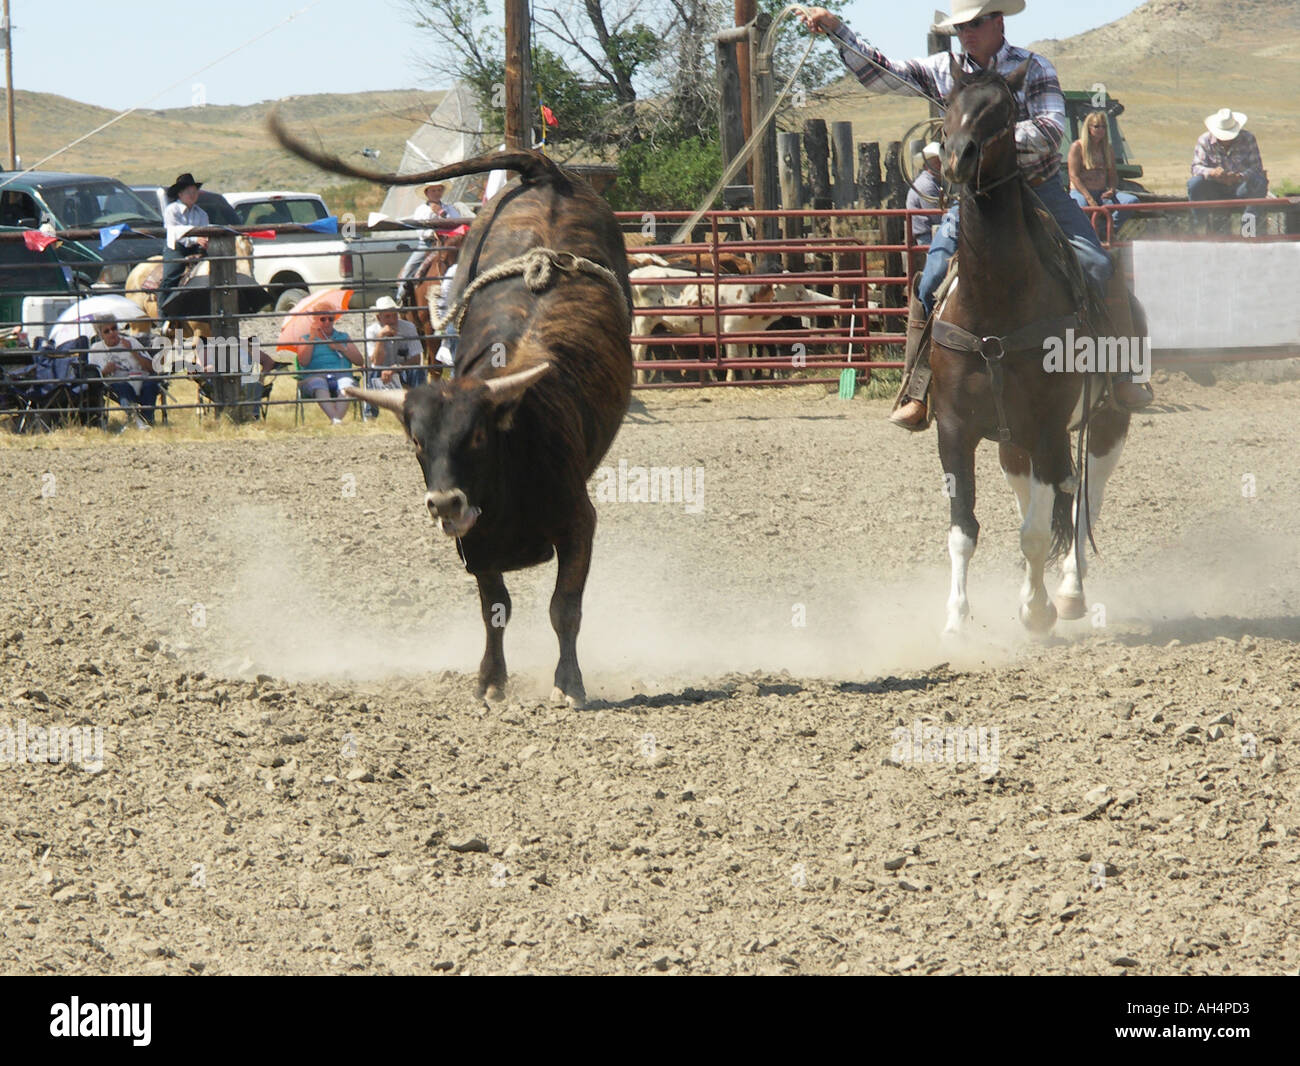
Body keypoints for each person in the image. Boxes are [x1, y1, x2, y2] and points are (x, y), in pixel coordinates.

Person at [797, 1, 1150, 425]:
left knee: (1097, 265)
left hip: (1038, 191)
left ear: (998, 21)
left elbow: (1051, 129)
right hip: (977, 200)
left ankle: (1123, 373)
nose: (966, 33)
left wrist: (981, 138)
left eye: (975, 23)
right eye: (960, 26)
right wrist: (838, 30)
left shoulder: (1034, 67)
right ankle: (918, 389)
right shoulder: (945, 69)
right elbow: (882, 74)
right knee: (929, 282)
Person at [1188, 108, 1268, 232]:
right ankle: (1200, 225)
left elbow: (1256, 168)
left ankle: (1248, 230)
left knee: (1259, 182)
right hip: (1214, 188)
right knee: (1195, 183)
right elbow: (1196, 167)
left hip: (1240, 188)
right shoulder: (1204, 140)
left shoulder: (1248, 139)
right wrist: (1212, 173)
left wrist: (1239, 176)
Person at [1068, 111, 1139, 237]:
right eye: (1096, 126)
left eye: (1103, 126)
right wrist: (1089, 198)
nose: (1101, 130)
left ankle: (1105, 231)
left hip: (1102, 192)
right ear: (1088, 128)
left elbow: (1112, 174)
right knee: (1080, 208)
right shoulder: (1077, 147)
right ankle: (1083, 237)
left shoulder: (1108, 148)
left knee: (1131, 201)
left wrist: (1111, 189)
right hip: (1081, 192)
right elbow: (1074, 176)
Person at [87, 313, 162, 428]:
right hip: (117, 383)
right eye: (106, 331)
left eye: (114, 328)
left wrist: (133, 351)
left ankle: (147, 420)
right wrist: (105, 371)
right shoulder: (96, 349)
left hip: (141, 378)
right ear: (100, 334)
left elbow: (152, 368)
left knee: (150, 385)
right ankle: (136, 419)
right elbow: (93, 377)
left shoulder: (131, 341)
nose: (112, 333)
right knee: (123, 387)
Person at [395, 183, 461, 303]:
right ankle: (400, 296)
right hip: (428, 244)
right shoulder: (421, 210)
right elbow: (421, 232)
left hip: (449, 243)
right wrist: (435, 231)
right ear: (427, 193)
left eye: (439, 190)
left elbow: (457, 222)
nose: (436, 193)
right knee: (411, 266)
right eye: (433, 191)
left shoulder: (449, 208)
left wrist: (441, 213)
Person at [295, 312, 365, 425]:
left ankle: (336, 421)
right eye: (323, 319)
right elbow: (303, 362)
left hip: (341, 375)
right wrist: (312, 339)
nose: (327, 322)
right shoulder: (305, 339)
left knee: (347, 383)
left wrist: (341, 348)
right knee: (319, 382)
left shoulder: (343, 337)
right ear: (315, 320)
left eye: (330, 319)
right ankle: (336, 420)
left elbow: (359, 361)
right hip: (314, 377)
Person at [363, 296, 425, 415]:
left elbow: (417, 358)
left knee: (418, 370)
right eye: (387, 316)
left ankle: (420, 408)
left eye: (395, 315)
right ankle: (371, 412)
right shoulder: (372, 331)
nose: (392, 320)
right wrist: (381, 338)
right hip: (381, 371)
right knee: (373, 371)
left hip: (402, 369)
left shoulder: (408, 327)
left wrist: (396, 368)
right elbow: (376, 362)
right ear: (378, 317)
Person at [159, 173, 209, 320]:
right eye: (189, 192)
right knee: (171, 275)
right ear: (180, 194)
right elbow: (173, 231)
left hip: (197, 248)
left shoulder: (201, 213)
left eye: (195, 191)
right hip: (176, 248)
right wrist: (196, 238)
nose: (193, 195)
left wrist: (205, 240)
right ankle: (163, 315)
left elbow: (205, 230)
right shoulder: (172, 210)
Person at [907, 142, 944, 247]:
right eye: (939, 163)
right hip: (929, 237)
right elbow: (937, 217)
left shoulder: (927, 183)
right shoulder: (927, 186)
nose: (942, 166)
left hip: (928, 234)